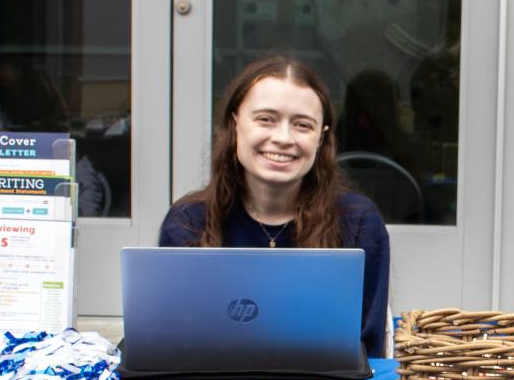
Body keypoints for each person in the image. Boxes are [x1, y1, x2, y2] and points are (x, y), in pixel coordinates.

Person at [159, 57, 391, 358]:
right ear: (235, 124)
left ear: (321, 138)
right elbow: (166, 344)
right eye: (265, 119)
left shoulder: (358, 222)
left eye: (302, 125)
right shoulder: (187, 222)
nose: (283, 138)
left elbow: (368, 354)